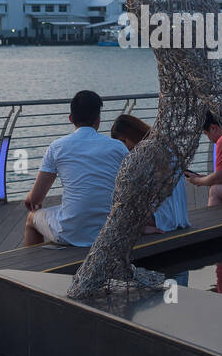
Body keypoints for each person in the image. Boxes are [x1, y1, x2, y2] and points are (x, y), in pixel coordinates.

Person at [23, 89, 130, 247]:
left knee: (32, 219)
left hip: (71, 233)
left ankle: (32, 268)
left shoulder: (57, 147)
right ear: (98, 120)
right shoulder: (118, 148)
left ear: (71, 118)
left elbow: (36, 199)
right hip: (110, 230)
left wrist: (30, 200)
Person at [110, 114, 191, 233]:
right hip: (179, 215)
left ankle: (143, 228)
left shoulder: (148, 153)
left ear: (130, 135)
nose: (125, 148)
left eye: (123, 142)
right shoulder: (163, 144)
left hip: (165, 217)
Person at [184, 112, 222, 206]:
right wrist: (206, 178)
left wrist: (198, 181)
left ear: (213, 128)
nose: (209, 139)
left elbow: (219, 178)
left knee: (215, 191)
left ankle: (216, 220)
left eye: (206, 134)